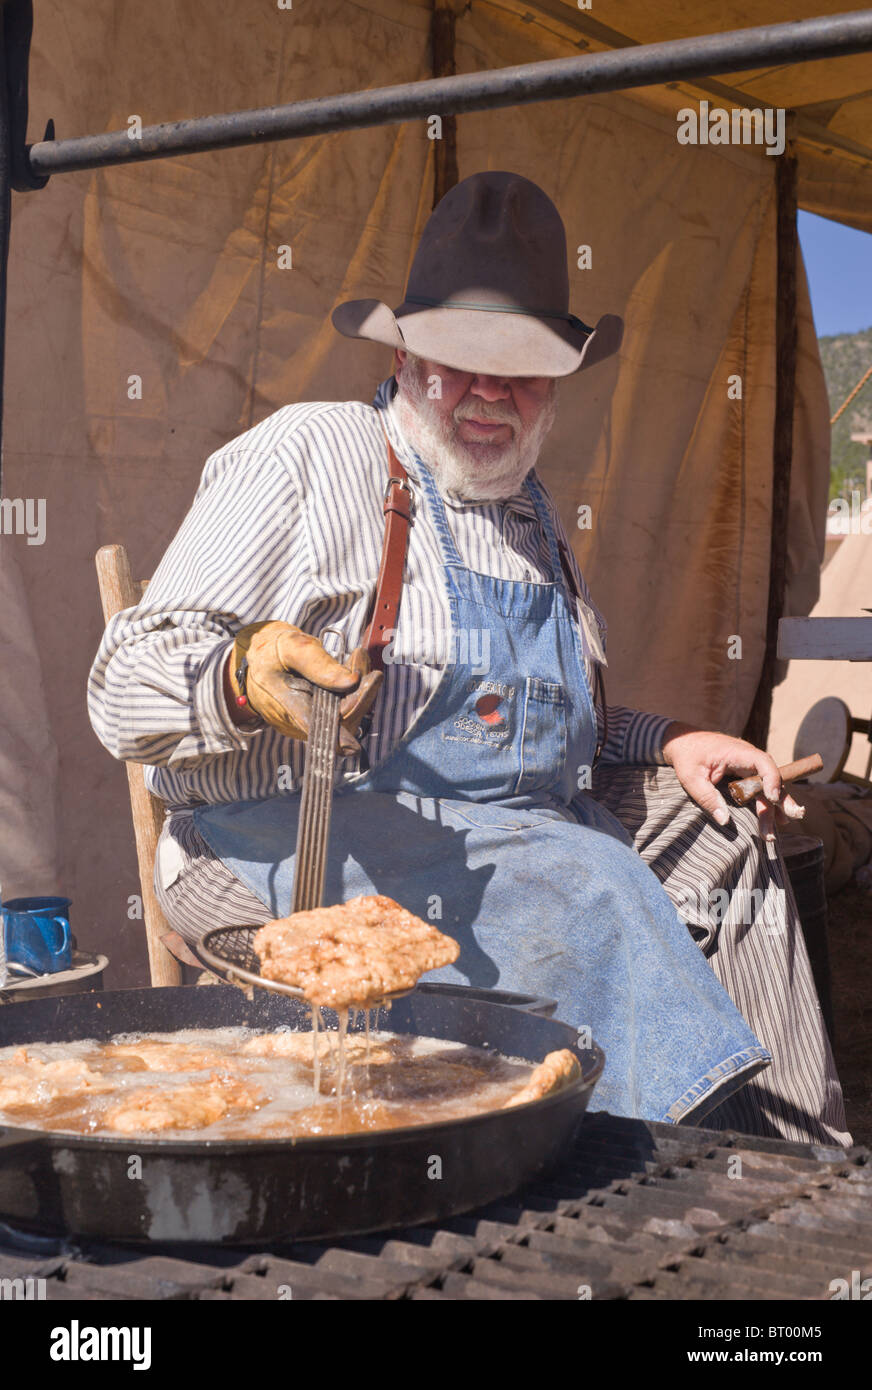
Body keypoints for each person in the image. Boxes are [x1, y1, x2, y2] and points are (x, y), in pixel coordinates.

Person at [88, 170, 849, 1143]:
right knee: (591, 886)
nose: (490, 392)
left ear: (557, 382)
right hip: (282, 835)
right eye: (460, 359)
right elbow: (121, 682)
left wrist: (669, 744)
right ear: (405, 355)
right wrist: (237, 674)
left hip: (521, 826)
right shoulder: (309, 455)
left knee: (726, 841)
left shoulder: (528, 510)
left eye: (521, 367)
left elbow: (540, 725)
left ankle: (790, 1162)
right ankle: (637, 1186)